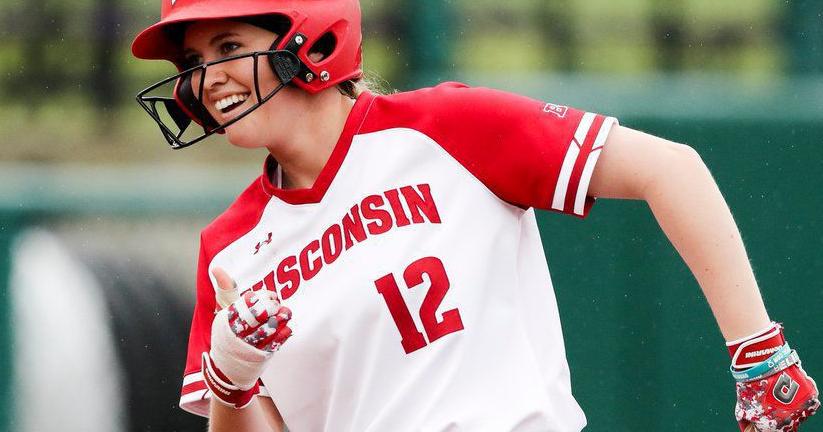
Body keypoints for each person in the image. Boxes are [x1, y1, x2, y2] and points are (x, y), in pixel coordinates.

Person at [131, 0, 819, 431]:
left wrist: (757, 351)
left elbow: (671, 169)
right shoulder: (229, 250)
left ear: (308, 38)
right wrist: (232, 377)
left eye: (226, 48)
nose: (203, 78)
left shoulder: (445, 128)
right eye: (194, 60)